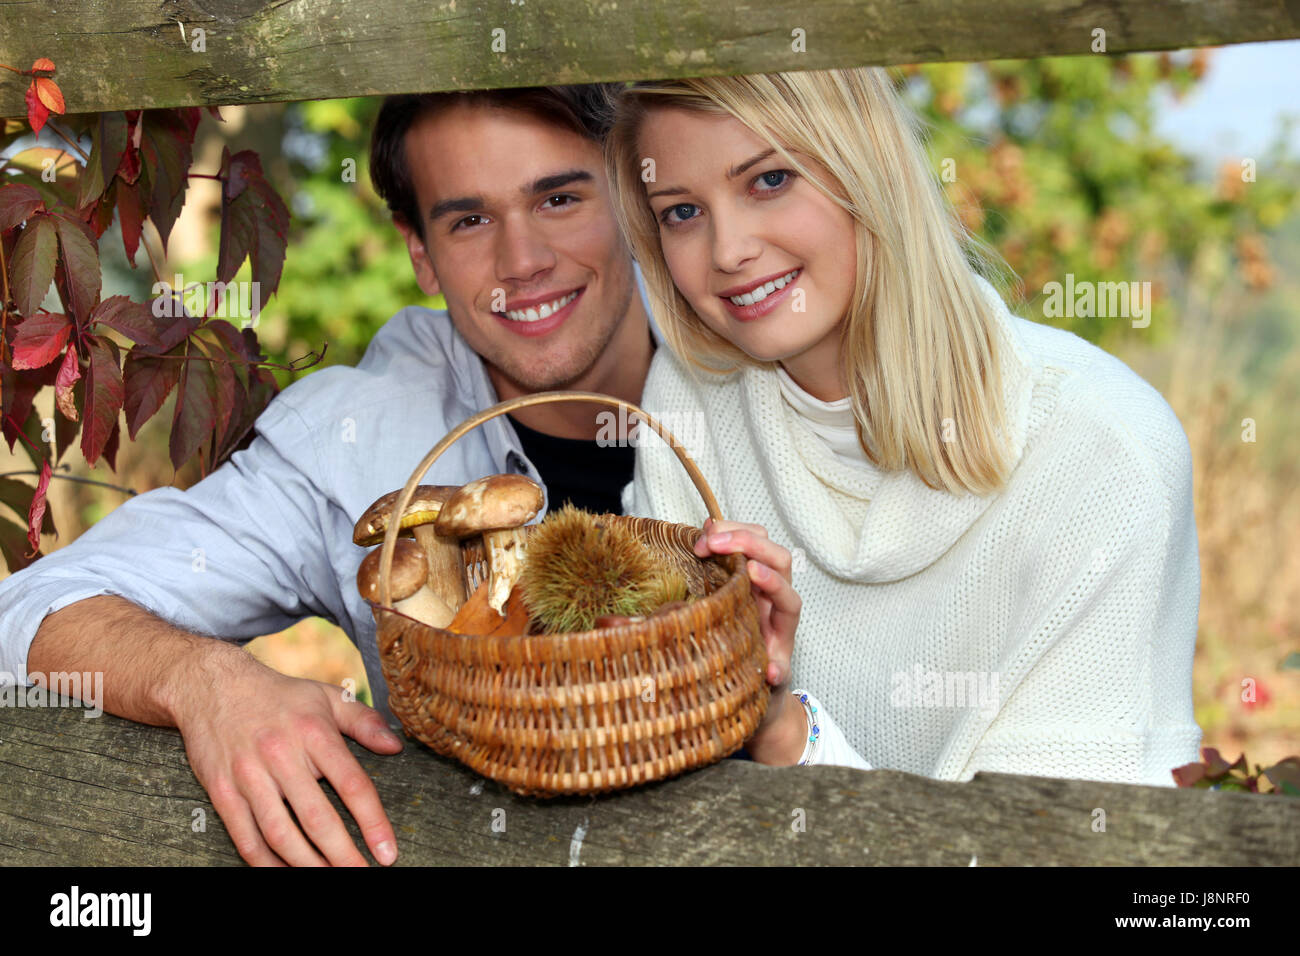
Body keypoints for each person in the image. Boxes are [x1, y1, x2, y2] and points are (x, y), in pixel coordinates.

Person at [0, 84, 800, 866]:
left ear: (630, 201)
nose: (522, 261)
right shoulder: (358, 442)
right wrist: (200, 677)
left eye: (558, 200)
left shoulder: (762, 334)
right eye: (470, 219)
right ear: (419, 252)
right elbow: (28, 611)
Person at [604, 67, 1204, 784]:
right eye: (681, 212)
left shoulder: (1103, 449)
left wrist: (784, 732)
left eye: (769, 181)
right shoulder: (688, 399)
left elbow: (1047, 845)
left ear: (869, 169)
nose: (728, 250)